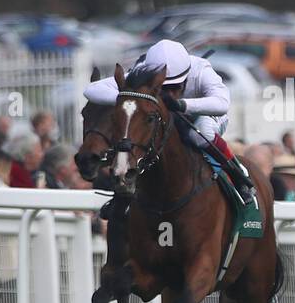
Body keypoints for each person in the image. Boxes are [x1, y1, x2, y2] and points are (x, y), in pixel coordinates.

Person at [83, 38, 254, 201]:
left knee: (201, 132)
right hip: (163, 116)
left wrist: (180, 104)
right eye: (164, 88)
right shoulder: (142, 71)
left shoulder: (201, 70)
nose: (169, 93)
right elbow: (92, 90)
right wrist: (134, 99)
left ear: (186, 75)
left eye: (175, 87)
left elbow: (222, 104)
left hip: (205, 114)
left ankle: (238, 175)